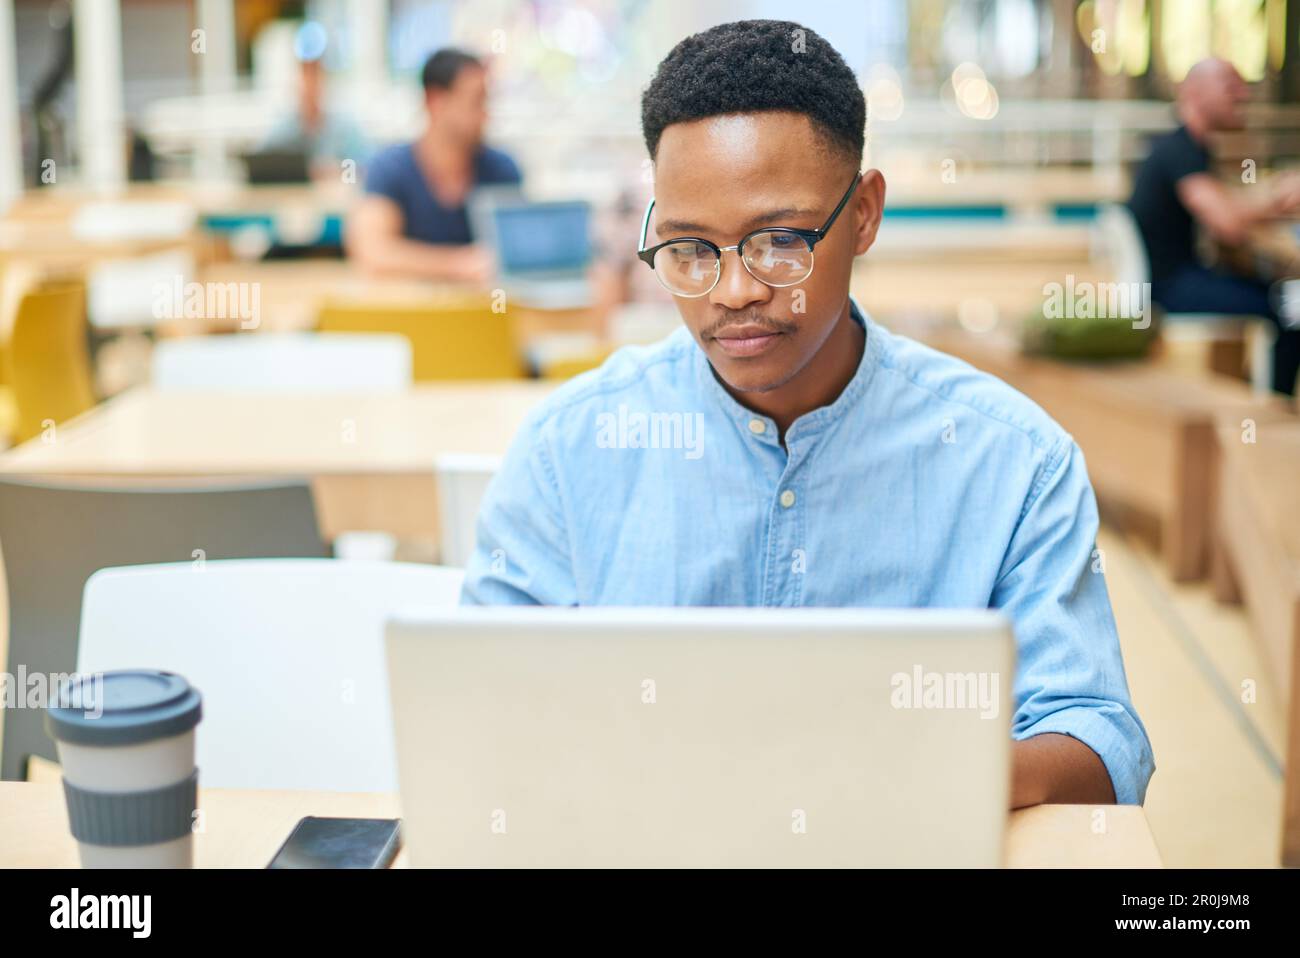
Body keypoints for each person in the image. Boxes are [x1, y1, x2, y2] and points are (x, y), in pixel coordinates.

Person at [462, 20, 1154, 810]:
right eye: (690, 250)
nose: (734, 293)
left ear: (863, 213)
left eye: (781, 241)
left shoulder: (1014, 461)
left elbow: (1102, 743)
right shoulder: (570, 449)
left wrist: (899, 774)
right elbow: (480, 712)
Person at [1128, 57, 1300, 395]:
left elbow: (1228, 210)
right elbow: (1228, 224)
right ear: (1195, 92)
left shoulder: (1187, 149)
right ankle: (1276, 410)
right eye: (1230, 85)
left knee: (1279, 292)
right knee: (1291, 305)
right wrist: (1280, 197)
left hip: (1177, 279)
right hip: (1169, 288)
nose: (1243, 94)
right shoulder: (1180, 151)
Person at [346, 48, 521, 282]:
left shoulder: (501, 170)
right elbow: (372, 252)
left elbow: (520, 252)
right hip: (410, 314)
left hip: (484, 314)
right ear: (435, 101)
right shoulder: (390, 168)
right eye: (476, 101)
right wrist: (458, 265)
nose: (485, 114)